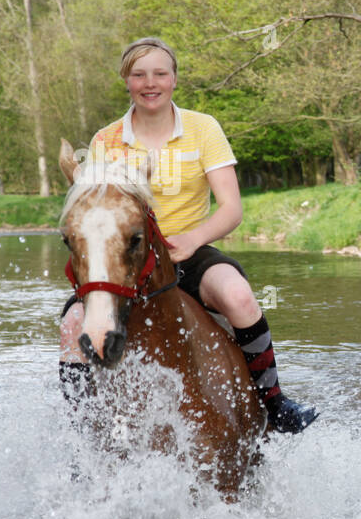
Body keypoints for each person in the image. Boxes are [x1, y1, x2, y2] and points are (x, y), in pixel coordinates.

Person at [59, 37, 318, 433]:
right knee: (71, 326)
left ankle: (274, 404)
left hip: (189, 250)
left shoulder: (203, 129)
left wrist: (194, 240)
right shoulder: (104, 141)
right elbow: (94, 216)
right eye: (139, 74)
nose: (151, 83)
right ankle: (80, 431)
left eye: (160, 73)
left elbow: (232, 209)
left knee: (240, 297)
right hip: (124, 259)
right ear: (126, 80)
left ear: (174, 79)